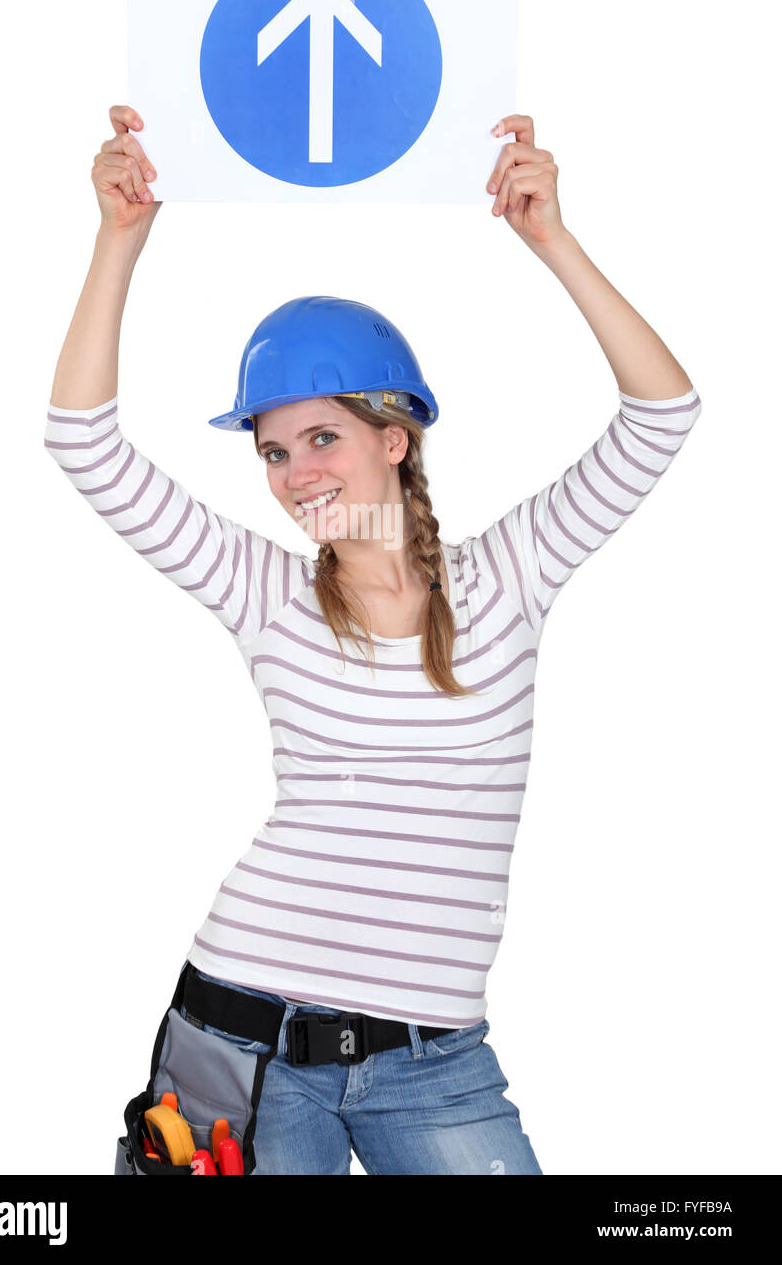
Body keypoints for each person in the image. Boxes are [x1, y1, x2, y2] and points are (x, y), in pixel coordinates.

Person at [44, 104, 702, 1175]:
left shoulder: (511, 573)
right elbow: (81, 440)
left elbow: (661, 412)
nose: (295, 471)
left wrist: (550, 239)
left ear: (392, 439)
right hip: (239, 1042)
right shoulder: (261, 589)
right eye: (269, 450)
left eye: (321, 437)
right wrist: (120, 237)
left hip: (433, 1061)